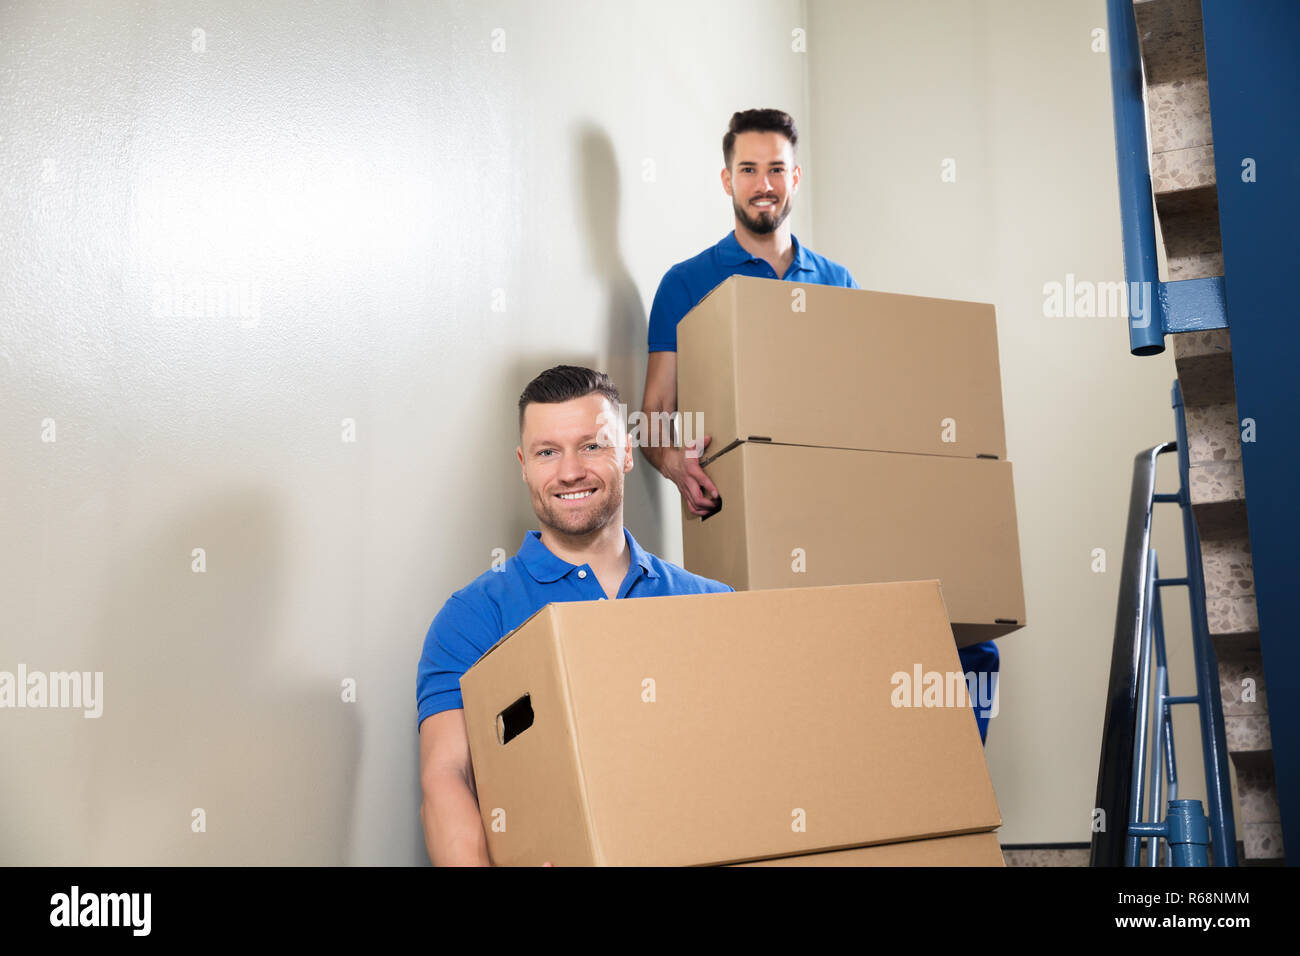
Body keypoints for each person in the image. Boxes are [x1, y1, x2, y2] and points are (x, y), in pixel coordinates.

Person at [638, 108, 999, 745]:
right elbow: (654, 416)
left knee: (966, 655)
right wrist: (678, 466)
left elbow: (865, 407)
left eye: (776, 169)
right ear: (726, 180)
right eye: (748, 169)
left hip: (837, 519)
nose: (763, 183)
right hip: (743, 518)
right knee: (778, 689)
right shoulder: (687, 283)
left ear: (795, 177)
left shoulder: (838, 283)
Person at [416, 365, 732, 866]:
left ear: (628, 451)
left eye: (592, 445)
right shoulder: (473, 617)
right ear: (524, 464)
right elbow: (445, 778)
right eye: (547, 452)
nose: (569, 472)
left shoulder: (714, 605)